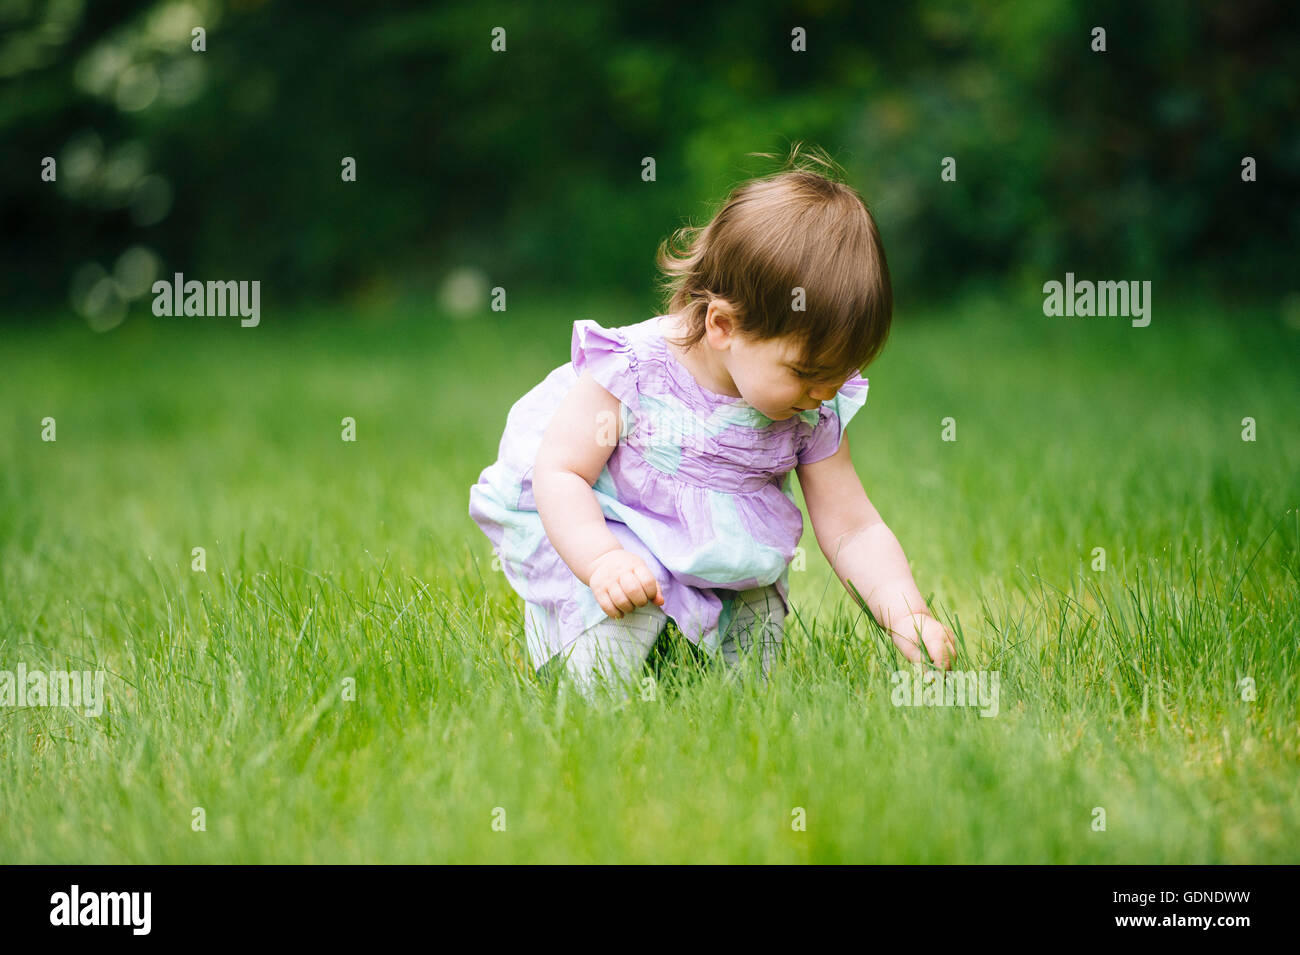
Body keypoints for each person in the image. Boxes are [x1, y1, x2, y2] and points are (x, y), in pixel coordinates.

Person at [469, 150, 956, 699]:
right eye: (805, 372)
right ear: (722, 325)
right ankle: (585, 685)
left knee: (752, 659)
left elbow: (853, 527)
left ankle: (711, 692)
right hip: (616, 532)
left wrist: (905, 610)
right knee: (617, 636)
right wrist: (602, 560)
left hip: (724, 550)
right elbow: (559, 472)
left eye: (839, 375)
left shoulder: (814, 404)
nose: (823, 394)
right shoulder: (632, 369)